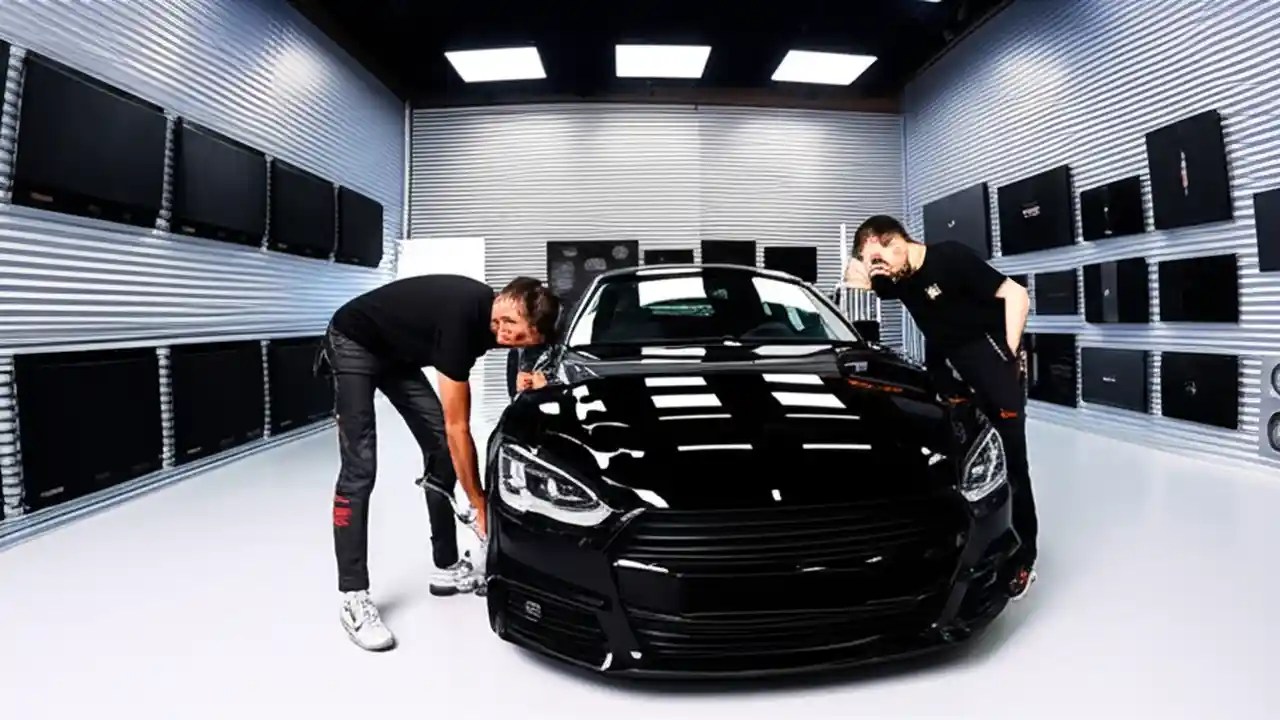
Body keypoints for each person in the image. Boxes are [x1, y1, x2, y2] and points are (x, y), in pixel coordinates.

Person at [321, 274, 560, 651]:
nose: (507, 337)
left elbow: (537, 360)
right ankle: (354, 595)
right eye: (507, 325)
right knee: (360, 468)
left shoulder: (503, 321)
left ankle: (447, 565)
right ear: (504, 301)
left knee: (442, 455)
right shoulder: (461, 321)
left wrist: (544, 377)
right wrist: (478, 502)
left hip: (396, 355)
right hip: (353, 341)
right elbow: (457, 426)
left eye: (520, 335)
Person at [844, 215, 1038, 600]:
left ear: (892, 239)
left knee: (1013, 464)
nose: (880, 269)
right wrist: (862, 268)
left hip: (994, 363)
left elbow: (1017, 295)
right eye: (873, 263)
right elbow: (858, 283)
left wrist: (1008, 358)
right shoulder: (899, 279)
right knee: (966, 460)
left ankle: (1024, 557)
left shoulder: (948, 258)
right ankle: (965, 544)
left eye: (879, 257)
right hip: (954, 372)